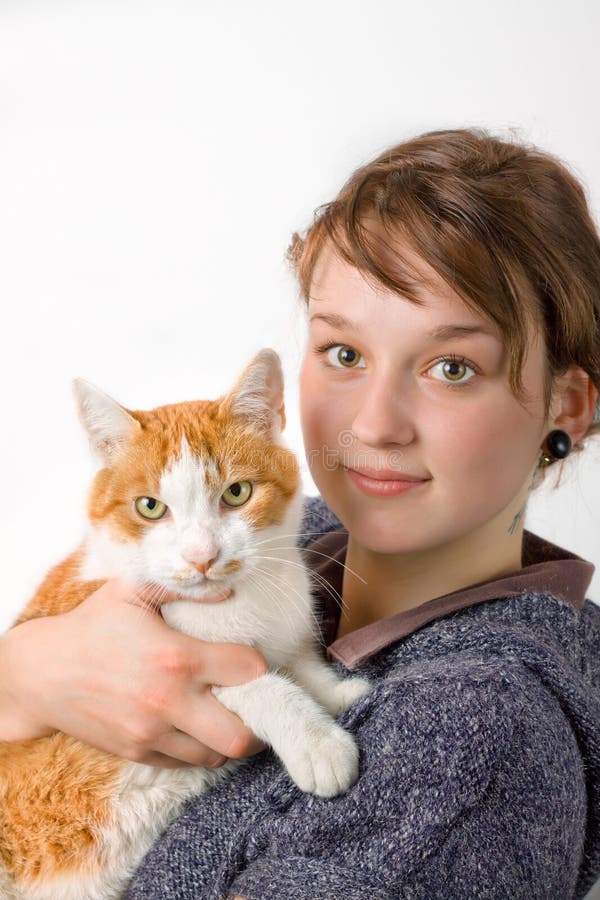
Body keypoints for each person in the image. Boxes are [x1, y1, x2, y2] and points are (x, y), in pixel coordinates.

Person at [2, 127, 600, 899]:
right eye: (344, 355)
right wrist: (21, 677)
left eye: (452, 367)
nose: (376, 426)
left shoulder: (473, 734)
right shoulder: (288, 539)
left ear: (568, 405)